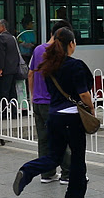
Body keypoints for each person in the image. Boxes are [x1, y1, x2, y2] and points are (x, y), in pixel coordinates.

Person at [12, 27, 93, 198]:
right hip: (73, 118)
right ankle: (74, 195)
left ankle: (27, 171)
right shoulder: (76, 65)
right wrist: (91, 108)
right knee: (77, 157)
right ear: (71, 44)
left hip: (54, 116)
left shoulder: (49, 66)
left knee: (54, 156)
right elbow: (84, 94)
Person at [29, 20, 73, 184]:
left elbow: (31, 74)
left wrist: (33, 95)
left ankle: (47, 173)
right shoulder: (59, 53)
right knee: (61, 138)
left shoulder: (37, 50)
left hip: (38, 102)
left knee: (43, 139)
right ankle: (68, 173)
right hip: (53, 103)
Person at [0, 19, 20, 103]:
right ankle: (14, 108)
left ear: (2, 27)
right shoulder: (12, 38)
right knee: (12, 91)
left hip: (5, 70)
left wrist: (0, 69)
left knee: (4, 92)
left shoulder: (1, 38)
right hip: (13, 69)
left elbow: (0, 55)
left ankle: (4, 109)